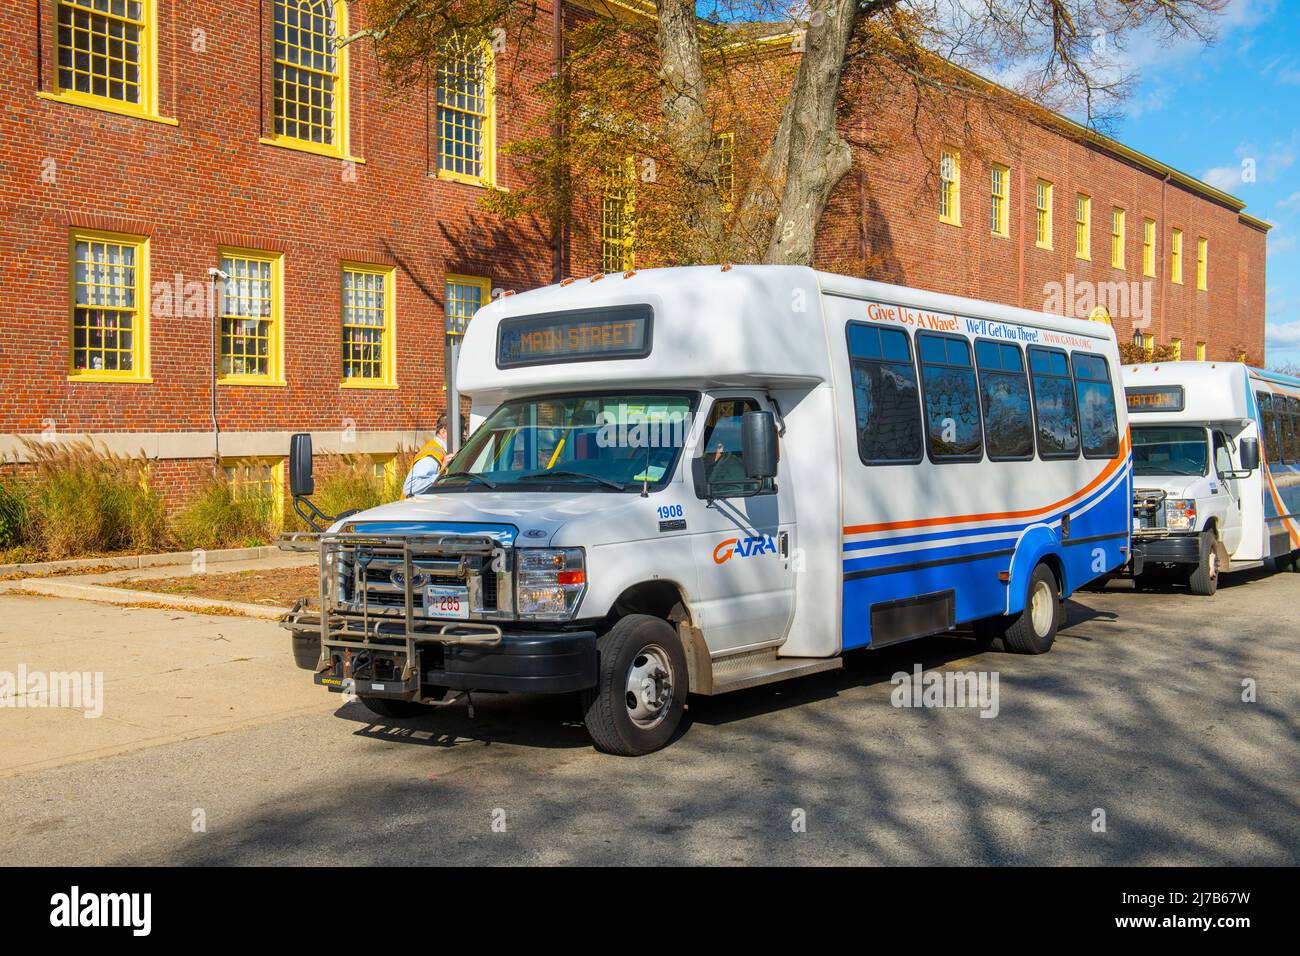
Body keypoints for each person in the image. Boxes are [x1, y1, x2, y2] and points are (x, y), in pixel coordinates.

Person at [403, 415, 450, 497]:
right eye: (460, 429)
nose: (464, 435)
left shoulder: (440, 450)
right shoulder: (431, 456)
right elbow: (410, 487)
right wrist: (441, 476)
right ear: (443, 432)